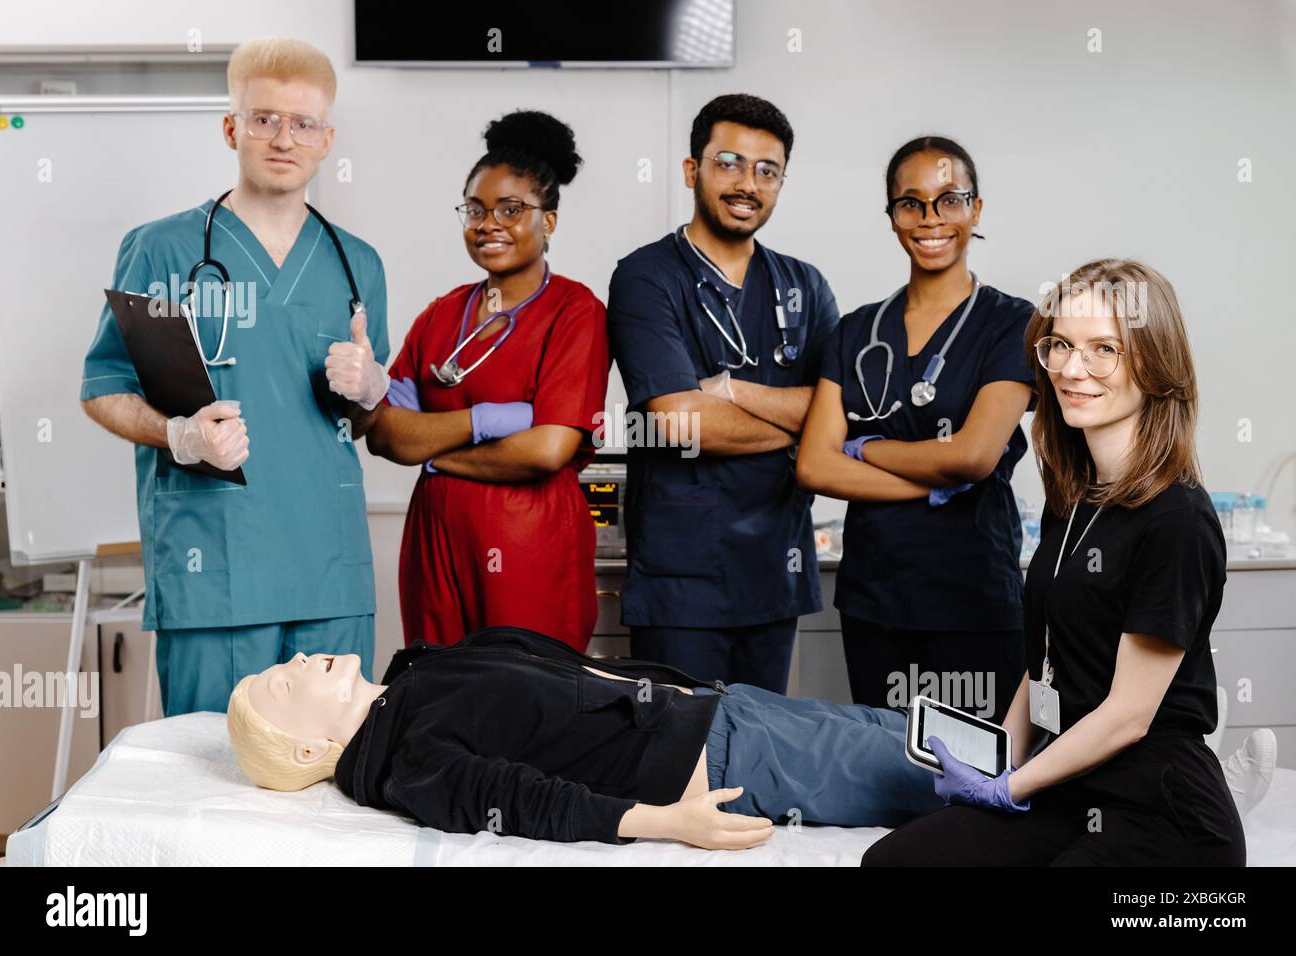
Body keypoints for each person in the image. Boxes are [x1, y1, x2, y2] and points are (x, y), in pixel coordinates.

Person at [861, 259, 1247, 866]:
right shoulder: (1072, 502)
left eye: (1103, 350)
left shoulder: (1178, 520)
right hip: (1067, 782)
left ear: (1155, 363)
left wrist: (1009, 787)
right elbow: (1046, 660)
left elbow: (1126, 717)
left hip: (1161, 810)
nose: (1071, 369)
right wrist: (1000, 764)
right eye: (1061, 345)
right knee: (895, 862)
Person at [80, 37, 389, 716]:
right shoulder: (162, 249)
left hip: (328, 578)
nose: (285, 138)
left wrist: (372, 390)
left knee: (328, 786)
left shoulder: (355, 264)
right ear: (232, 128)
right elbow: (102, 388)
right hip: (215, 570)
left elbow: (364, 425)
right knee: (208, 784)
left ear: (327, 139)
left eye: (304, 123)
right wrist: (179, 435)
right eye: (265, 118)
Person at [225, 625, 944, 848]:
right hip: (725, 757)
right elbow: (522, 799)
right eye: (284, 685)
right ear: (310, 751)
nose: (294, 662)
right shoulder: (409, 761)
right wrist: (668, 824)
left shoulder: (410, 679)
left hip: (723, 709)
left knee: (924, 736)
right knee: (953, 780)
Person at [606, 94, 840, 692]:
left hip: (775, 570)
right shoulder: (647, 276)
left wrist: (730, 390)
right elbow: (683, 422)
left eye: (768, 171)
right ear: (693, 171)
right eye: (729, 163)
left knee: (760, 753)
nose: (748, 183)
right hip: (683, 580)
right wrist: (797, 417)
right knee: (679, 761)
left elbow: (840, 414)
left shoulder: (804, 285)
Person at [797, 136, 1035, 724]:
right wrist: (932, 479)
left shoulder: (1013, 323)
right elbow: (816, 466)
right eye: (911, 203)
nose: (931, 219)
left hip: (973, 595)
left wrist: (868, 447)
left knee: (982, 773)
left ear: (976, 209)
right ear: (893, 216)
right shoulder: (855, 331)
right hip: (877, 598)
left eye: (949, 200)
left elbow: (975, 457)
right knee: (888, 769)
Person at [365, 111, 608, 651]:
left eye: (511, 209)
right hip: (437, 543)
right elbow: (383, 434)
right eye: (474, 209)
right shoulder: (440, 314)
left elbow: (548, 449)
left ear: (548, 221)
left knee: (527, 702)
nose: (488, 223)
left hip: (530, 543)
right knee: (439, 698)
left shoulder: (576, 312)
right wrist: (489, 420)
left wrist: (434, 452)